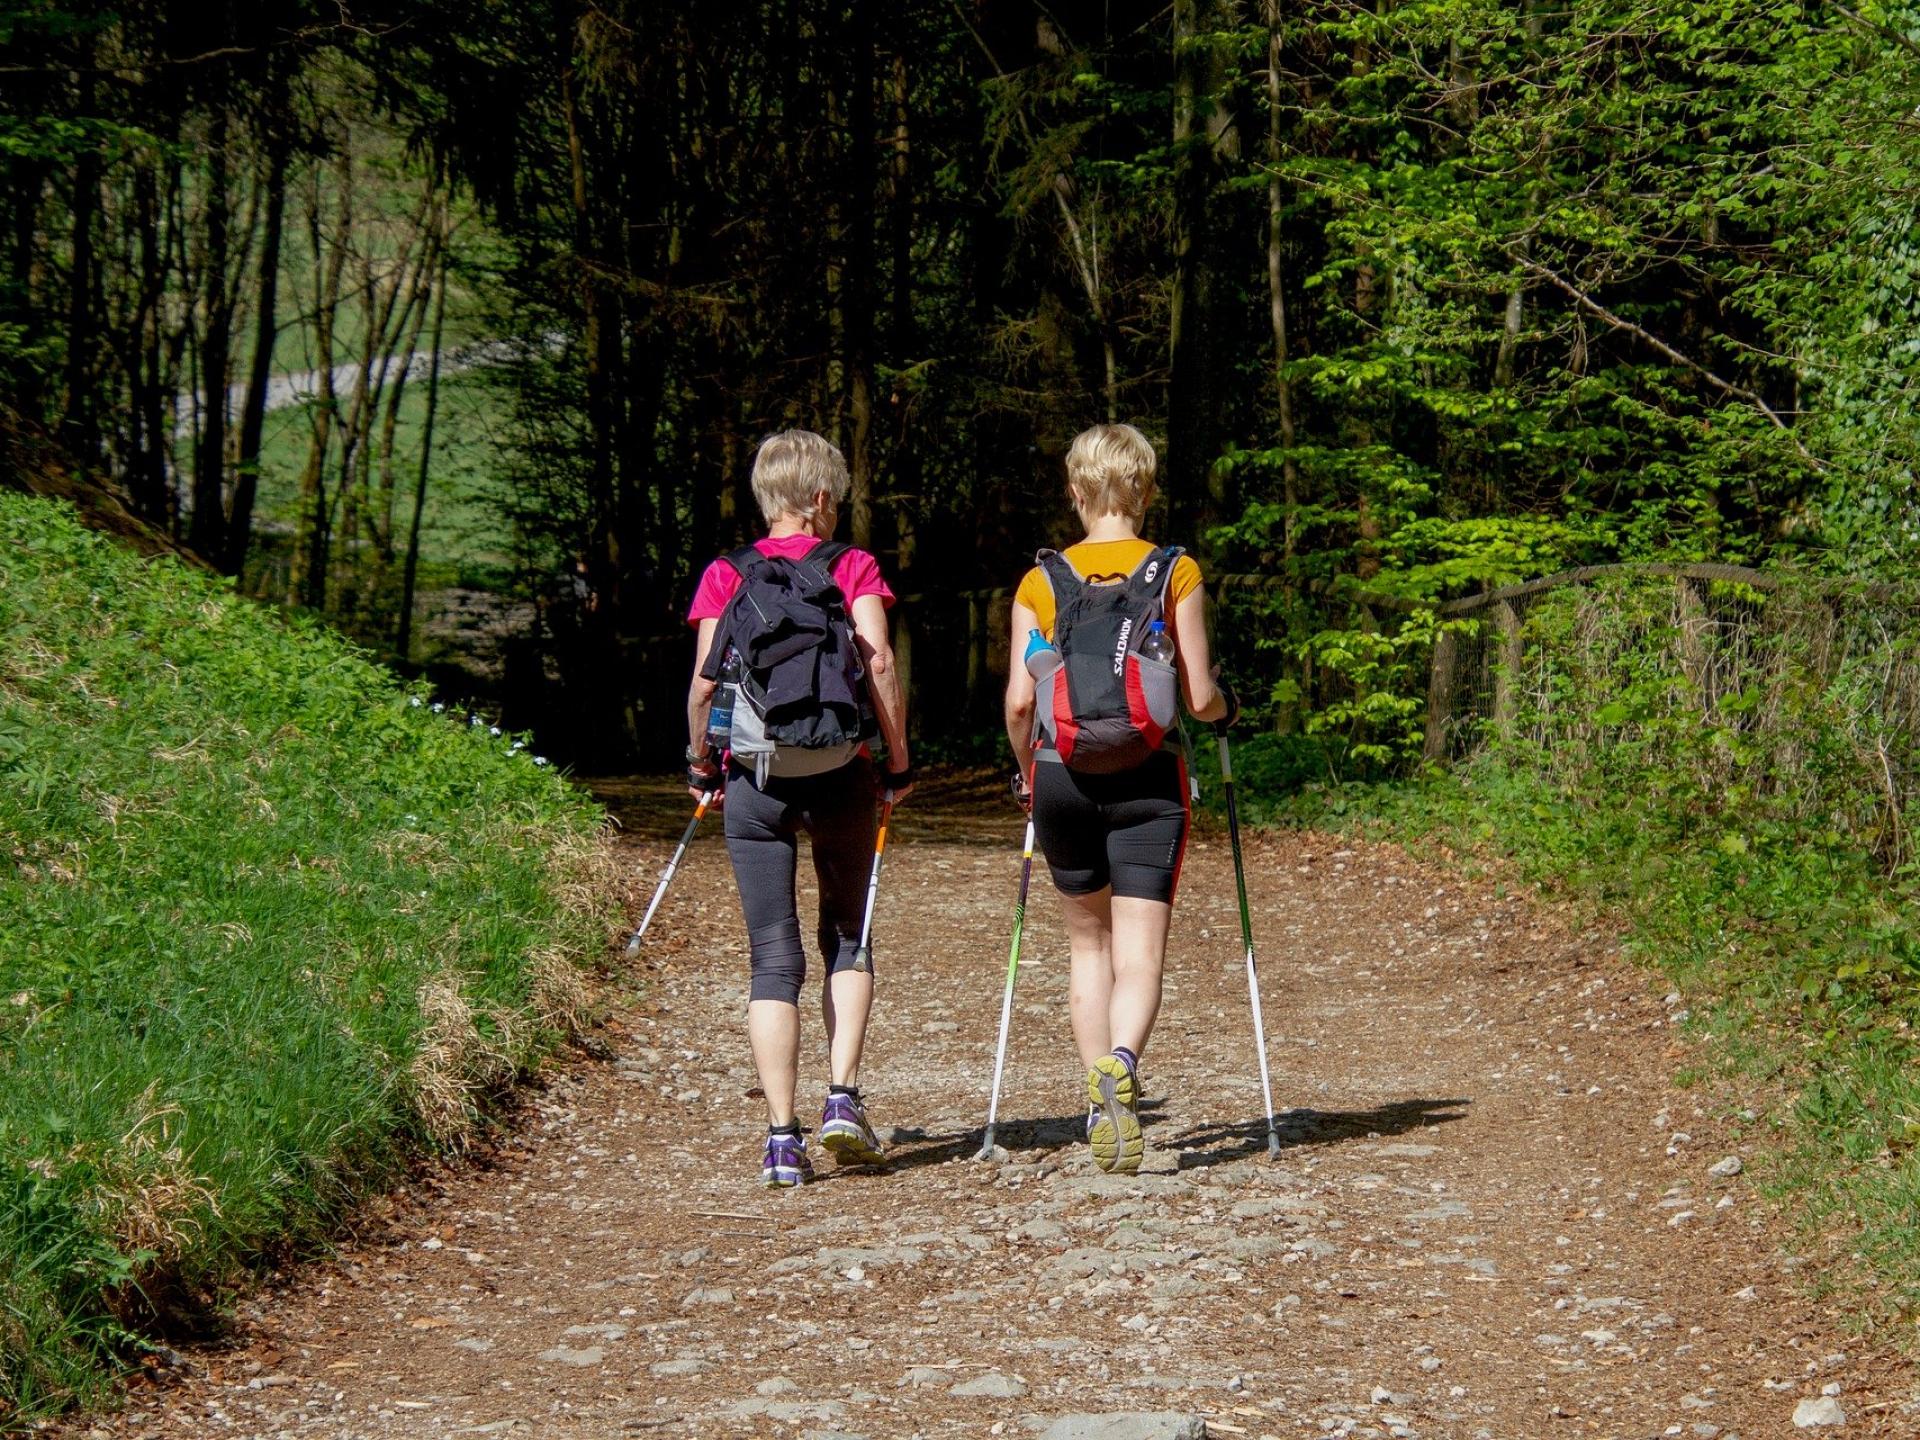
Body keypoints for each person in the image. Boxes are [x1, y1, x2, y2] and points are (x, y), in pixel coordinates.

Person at [1003, 423, 1236, 1174]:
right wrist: (1227, 707)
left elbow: (1019, 702)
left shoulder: (1040, 581)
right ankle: (1124, 1062)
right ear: (1146, 491)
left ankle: (1098, 1101)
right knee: (1139, 953)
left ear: (1075, 492)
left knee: (1088, 946)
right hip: (1148, 778)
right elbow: (1197, 697)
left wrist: (1026, 775)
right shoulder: (1174, 570)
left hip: (1060, 775)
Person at [685, 430, 914, 1187]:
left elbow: (705, 686)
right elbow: (879, 665)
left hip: (756, 780)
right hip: (841, 773)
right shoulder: (852, 566)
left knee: (773, 956)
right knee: (848, 935)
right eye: (836, 496)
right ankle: (842, 1097)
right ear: (820, 498)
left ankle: (782, 1140)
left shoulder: (726, 573)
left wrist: (701, 763)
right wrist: (898, 760)